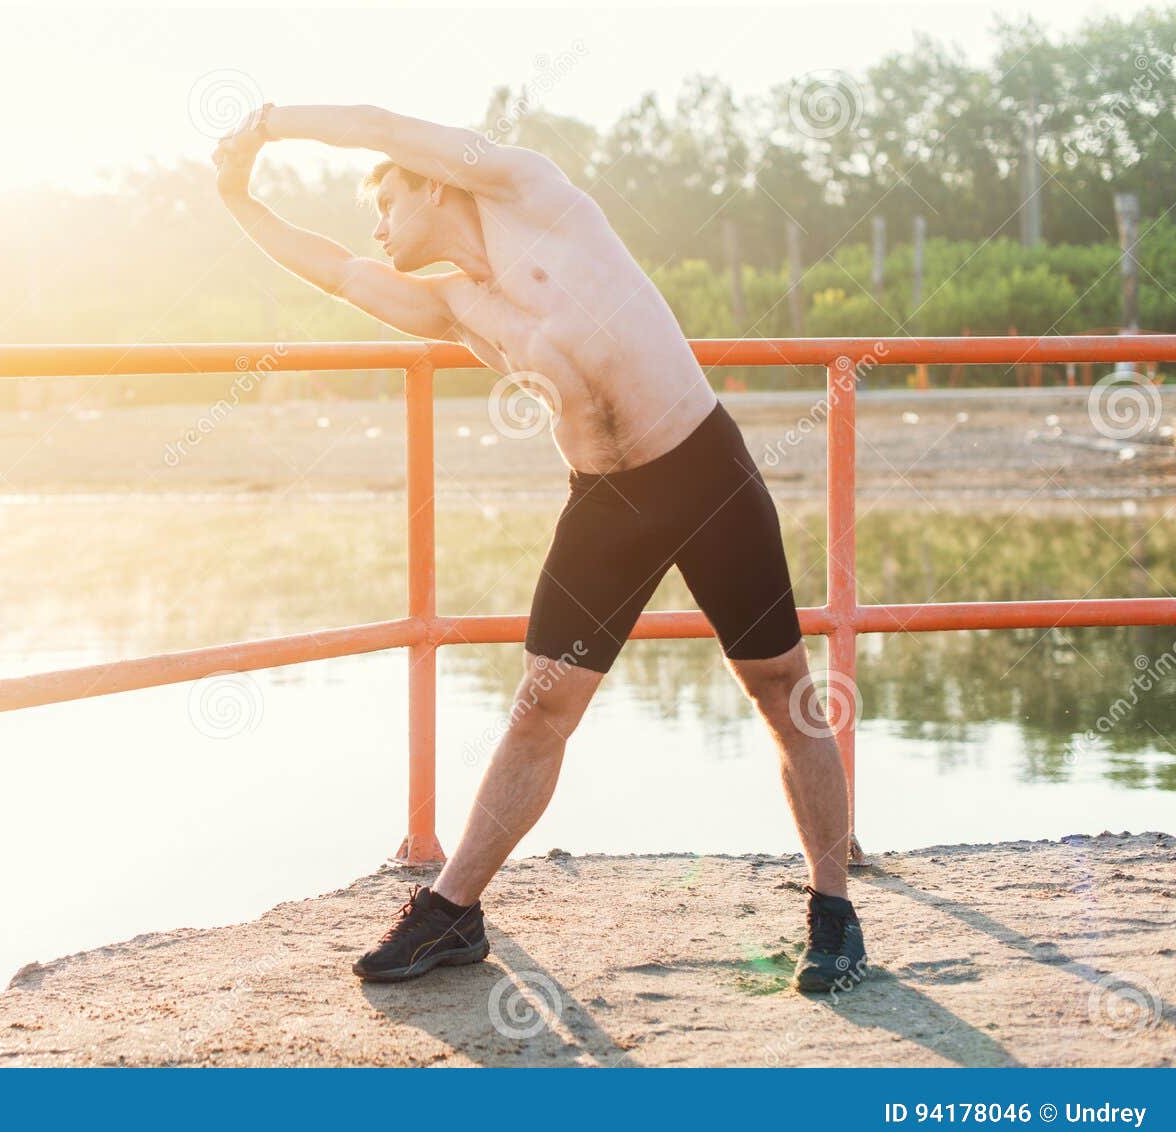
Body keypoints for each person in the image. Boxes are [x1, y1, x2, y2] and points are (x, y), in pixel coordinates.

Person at [212, 103, 866, 994]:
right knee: (539, 707)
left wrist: (274, 124)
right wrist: (239, 201)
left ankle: (834, 912)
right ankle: (451, 914)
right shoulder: (450, 304)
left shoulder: (531, 190)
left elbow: (382, 127)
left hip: (704, 468)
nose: (376, 225)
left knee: (783, 686)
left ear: (433, 183)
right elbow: (336, 271)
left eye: (387, 202)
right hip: (606, 500)